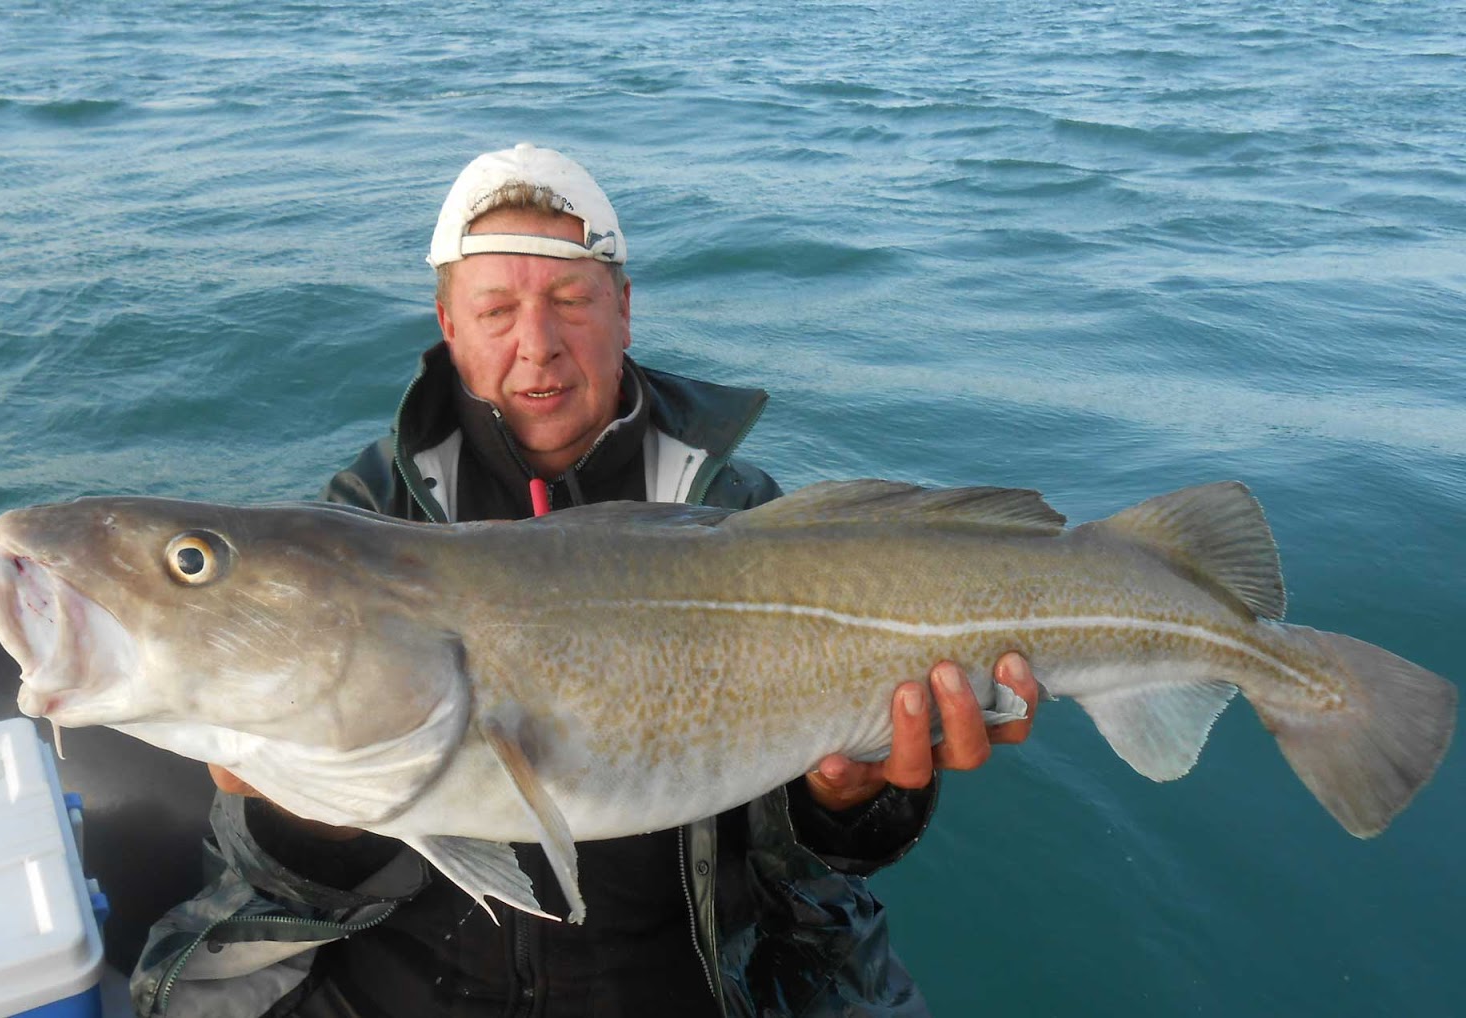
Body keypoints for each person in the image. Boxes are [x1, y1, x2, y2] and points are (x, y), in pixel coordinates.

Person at [131, 143, 1039, 1018]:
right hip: (413, 975)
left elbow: (818, 860)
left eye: (571, 300)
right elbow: (267, 877)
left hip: (697, 978)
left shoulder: (739, 517)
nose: (538, 346)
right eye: (495, 311)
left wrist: (851, 799)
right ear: (448, 327)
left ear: (625, 311)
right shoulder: (360, 519)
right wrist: (313, 815)